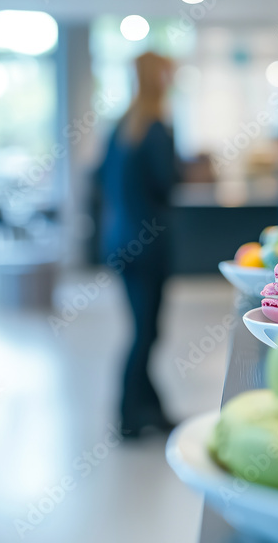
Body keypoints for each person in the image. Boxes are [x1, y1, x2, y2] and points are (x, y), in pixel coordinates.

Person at [96, 53, 178, 437]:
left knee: (143, 329)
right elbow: (167, 181)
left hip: (121, 241)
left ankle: (150, 409)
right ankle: (129, 417)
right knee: (146, 331)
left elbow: (98, 179)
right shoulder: (157, 128)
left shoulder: (122, 127)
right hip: (148, 246)